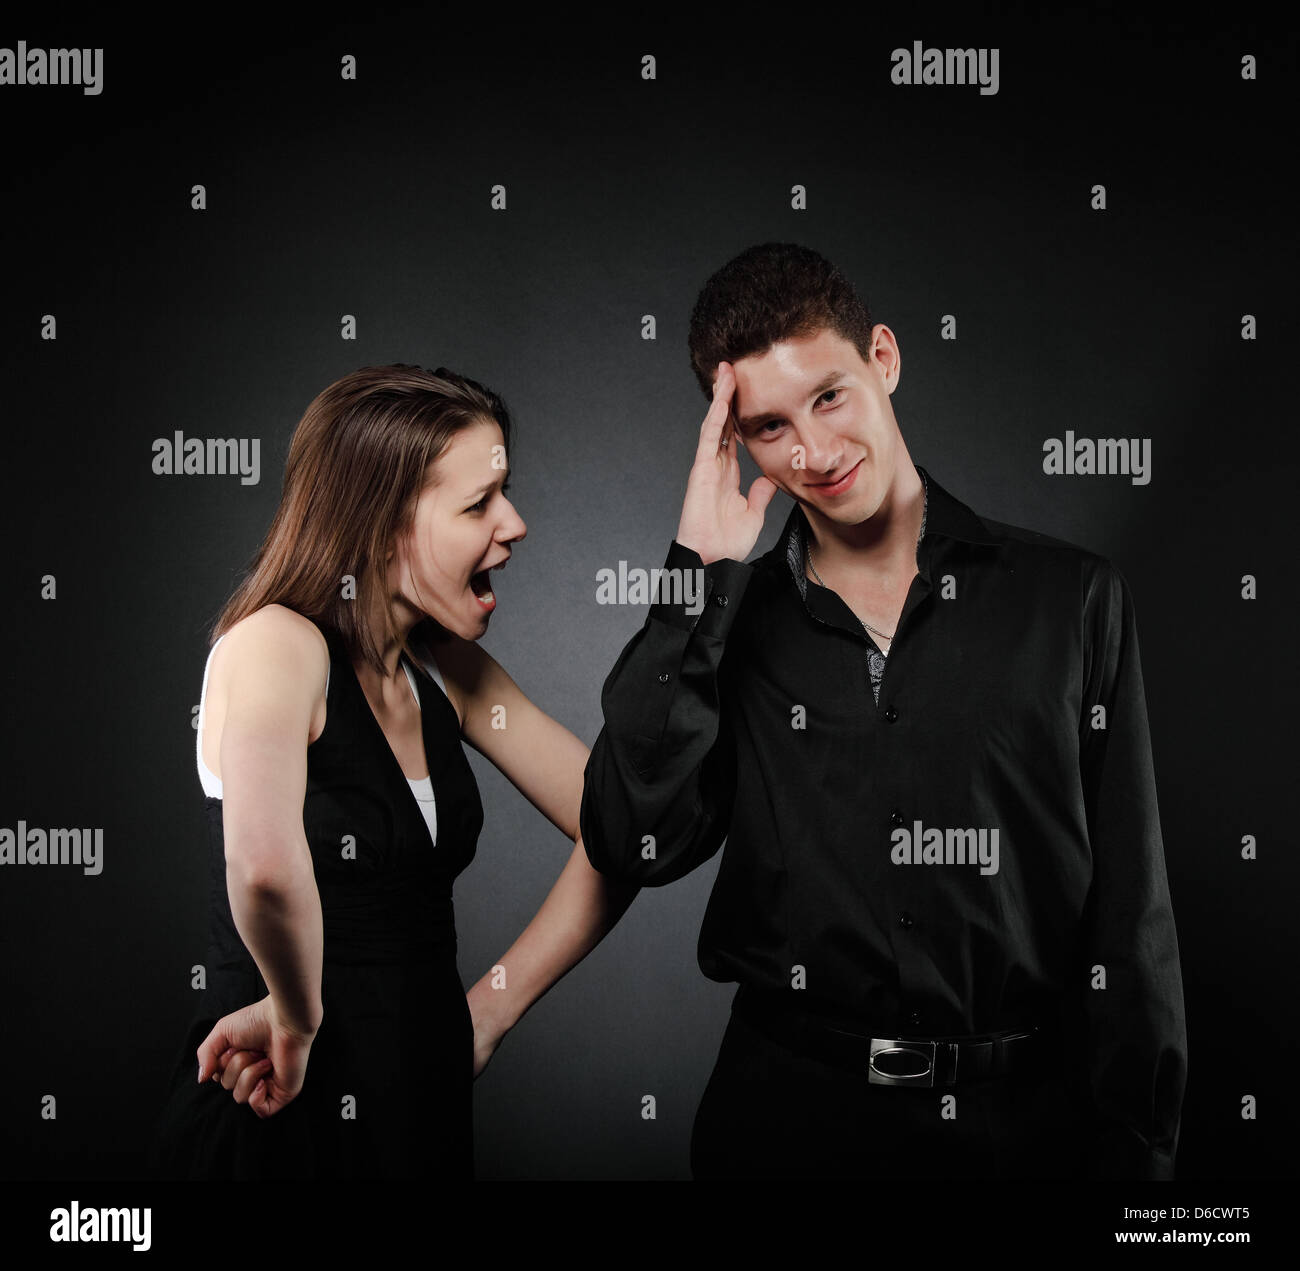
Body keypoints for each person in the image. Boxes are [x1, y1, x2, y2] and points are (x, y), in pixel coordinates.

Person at [579, 242, 1187, 1181]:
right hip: (786, 1127)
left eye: (830, 395)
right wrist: (694, 584)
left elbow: (1130, 918)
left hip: (1025, 1134)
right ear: (734, 440)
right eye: (771, 427)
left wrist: (1139, 1166)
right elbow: (635, 840)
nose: (815, 454)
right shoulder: (722, 627)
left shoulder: (1072, 599)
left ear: (886, 360)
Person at [146, 364, 635, 1180]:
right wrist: (298, 1021)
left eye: (503, 491)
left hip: (420, 1115)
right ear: (378, 528)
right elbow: (264, 868)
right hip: (275, 1114)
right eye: (478, 504)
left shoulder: (450, 673)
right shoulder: (277, 644)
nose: (515, 524)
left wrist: (490, 1008)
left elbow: (626, 827)